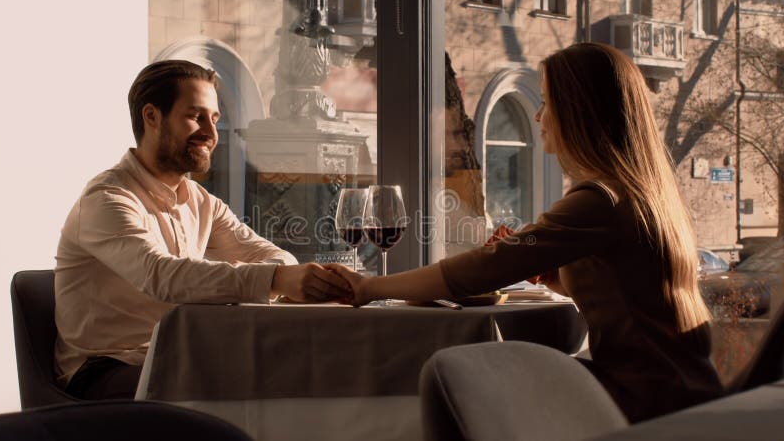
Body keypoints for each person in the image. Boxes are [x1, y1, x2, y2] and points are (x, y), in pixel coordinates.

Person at [328, 43, 723, 423]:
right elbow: (634, 287)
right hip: (683, 385)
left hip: (641, 396)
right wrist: (565, 278)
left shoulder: (598, 199)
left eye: (547, 102)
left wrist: (370, 289)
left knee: (452, 381)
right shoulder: (644, 191)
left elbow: (482, 270)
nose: (538, 117)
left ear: (578, 112)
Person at [55, 60, 350, 400]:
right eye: (196, 117)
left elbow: (269, 254)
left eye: (215, 119)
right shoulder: (107, 199)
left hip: (177, 355)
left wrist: (287, 274)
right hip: (104, 370)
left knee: (294, 373)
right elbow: (162, 275)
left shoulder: (199, 201)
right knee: (235, 387)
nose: (211, 135)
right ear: (151, 117)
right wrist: (276, 280)